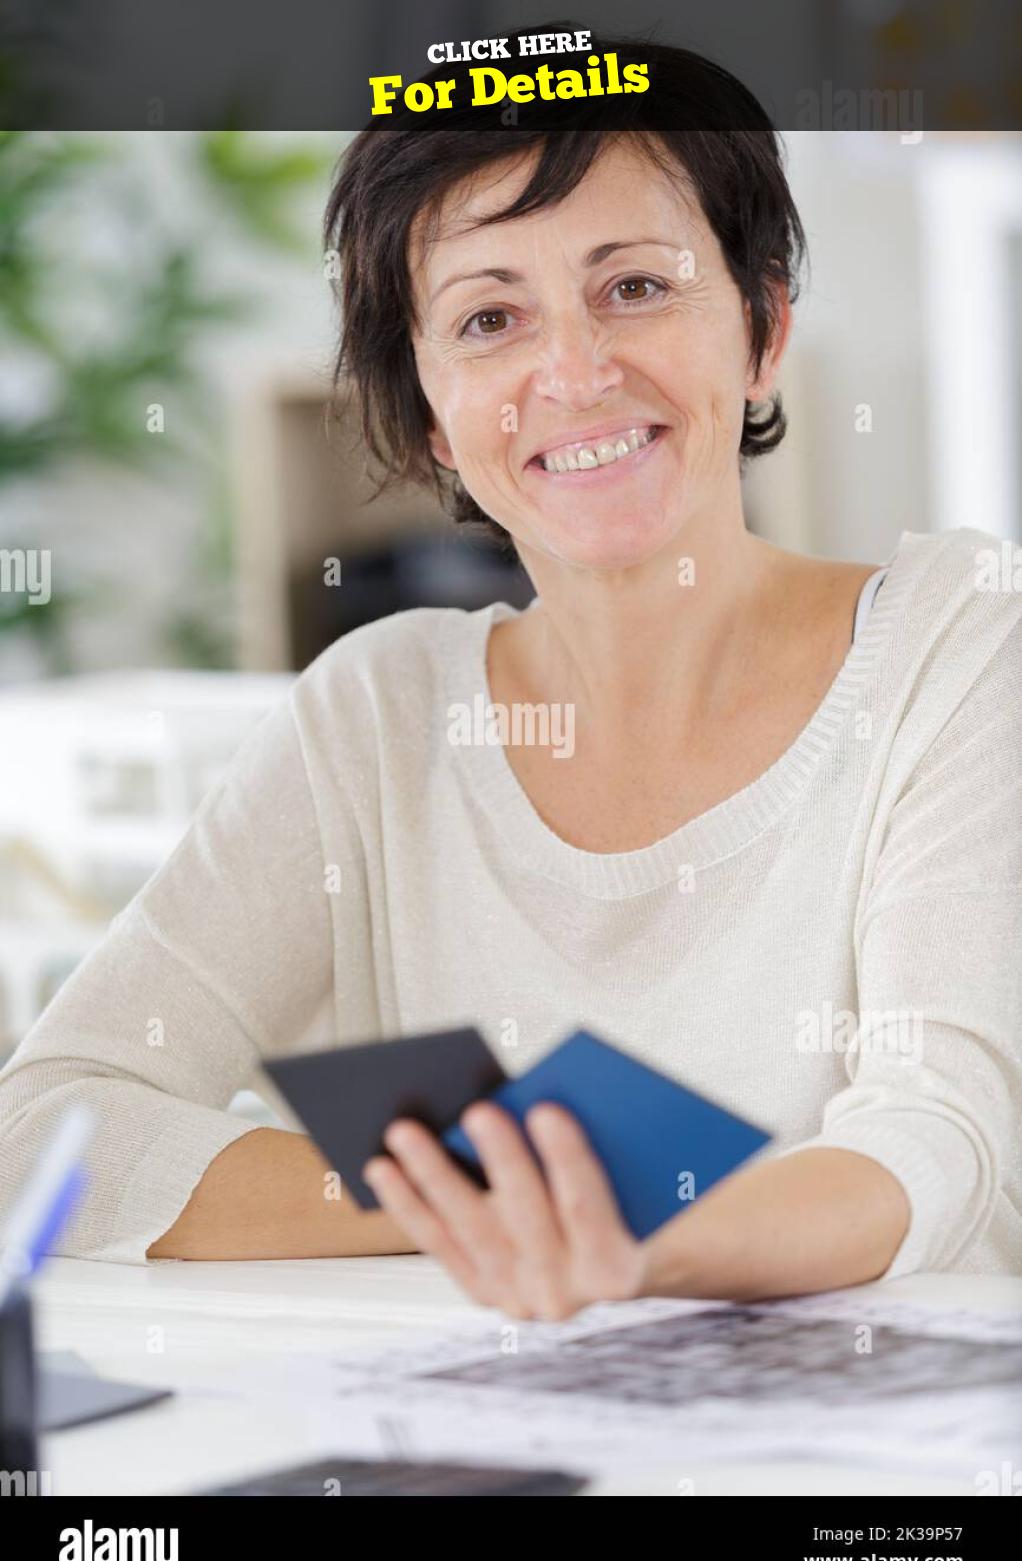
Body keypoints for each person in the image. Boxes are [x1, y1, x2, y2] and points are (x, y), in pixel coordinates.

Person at [1, 36, 1019, 1323]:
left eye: (635, 287)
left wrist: (626, 1246)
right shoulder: (372, 715)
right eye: (489, 317)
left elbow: (933, 1138)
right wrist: (476, 1201)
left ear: (762, 331)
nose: (575, 373)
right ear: (431, 410)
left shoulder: (956, 641)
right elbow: (45, 1128)